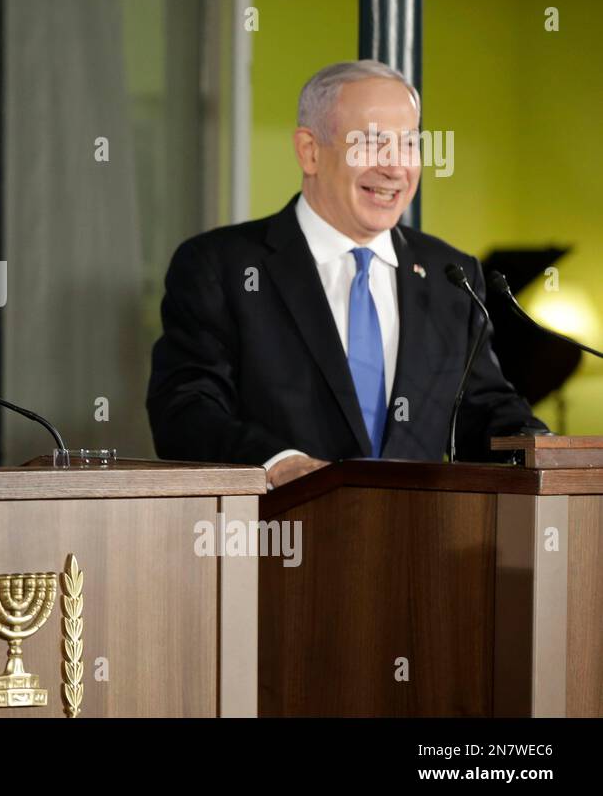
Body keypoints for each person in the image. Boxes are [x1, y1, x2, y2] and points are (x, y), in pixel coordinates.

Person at [147, 59, 545, 488]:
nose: (395, 168)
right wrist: (278, 464)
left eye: (409, 144)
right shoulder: (219, 266)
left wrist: (542, 446)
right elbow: (185, 410)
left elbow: (483, 411)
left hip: (423, 544)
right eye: (372, 144)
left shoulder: (451, 274)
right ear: (310, 151)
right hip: (277, 539)